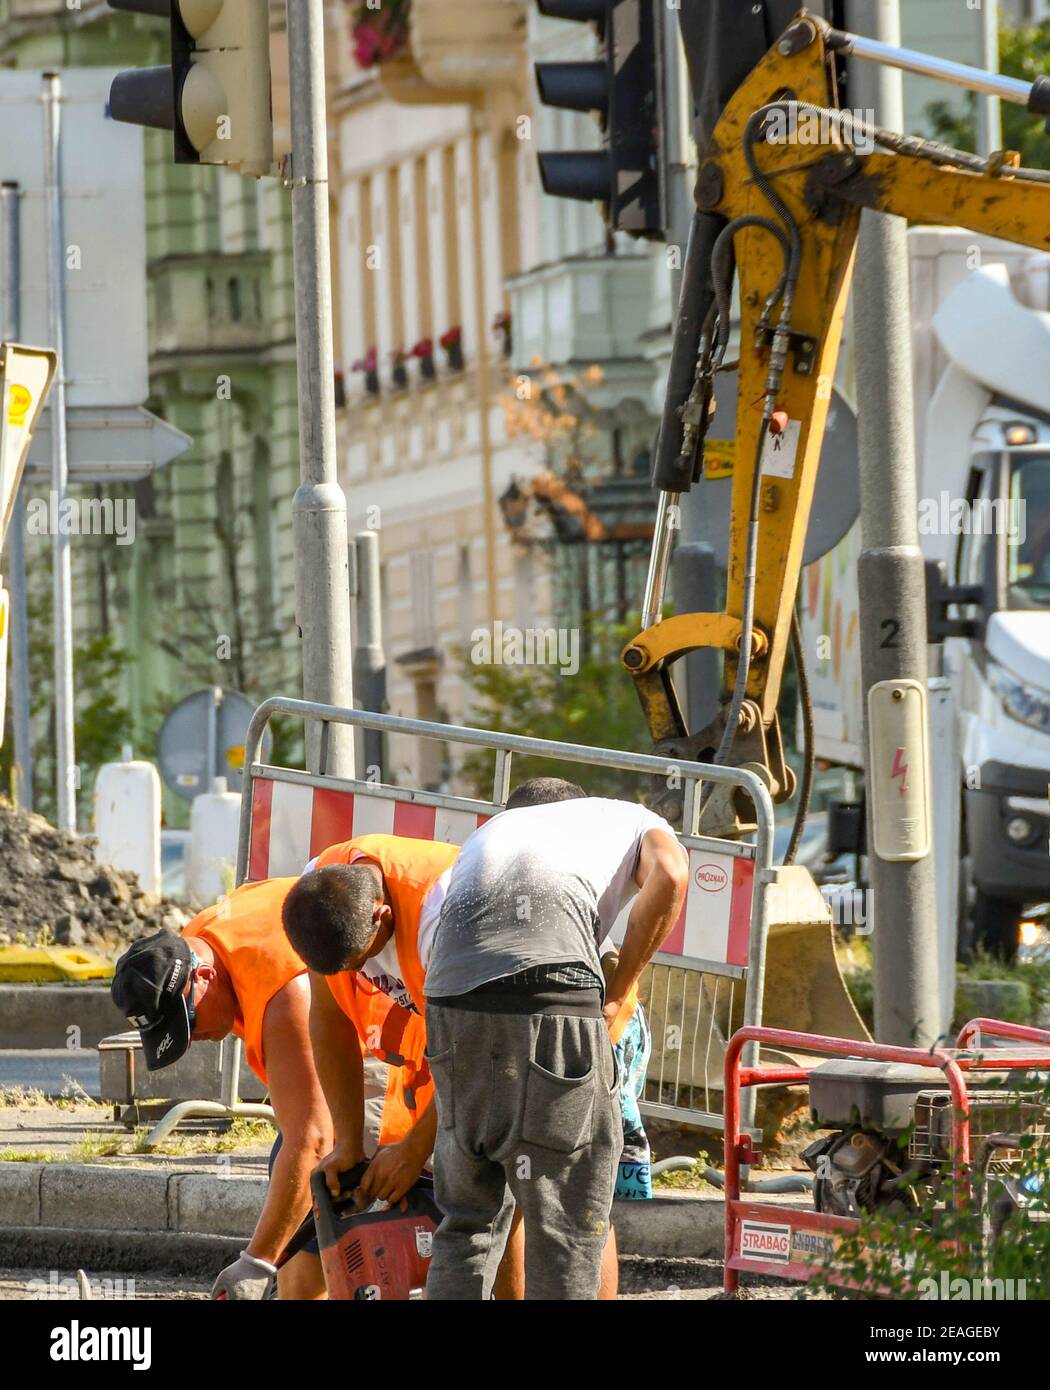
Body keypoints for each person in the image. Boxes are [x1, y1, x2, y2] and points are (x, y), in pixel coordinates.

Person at [422, 791, 689, 1300]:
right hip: (552, 1001)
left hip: (450, 1006)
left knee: (465, 1224)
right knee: (565, 1224)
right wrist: (620, 989)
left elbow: (440, 932)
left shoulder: (492, 834)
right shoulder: (641, 823)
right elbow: (672, 878)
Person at [111, 878, 342, 1300]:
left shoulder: (282, 985)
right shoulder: (198, 940)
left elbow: (314, 1138)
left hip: (404, 1041)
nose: (192, 1038)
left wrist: (255, 1264)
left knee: (340, 1208)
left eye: (189, 1024)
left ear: (203, 975)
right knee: (294, 1198)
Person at [281, 834, 457, 1210]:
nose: (357, 975)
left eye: (359, 962)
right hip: (449, 1048)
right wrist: (348, 1142)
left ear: (382, 916)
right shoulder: (319, 888)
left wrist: (414, 1149)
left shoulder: (441, 916)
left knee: (508, 1203)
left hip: (534, 1027)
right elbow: (329, 1019)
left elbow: (476, 1052)